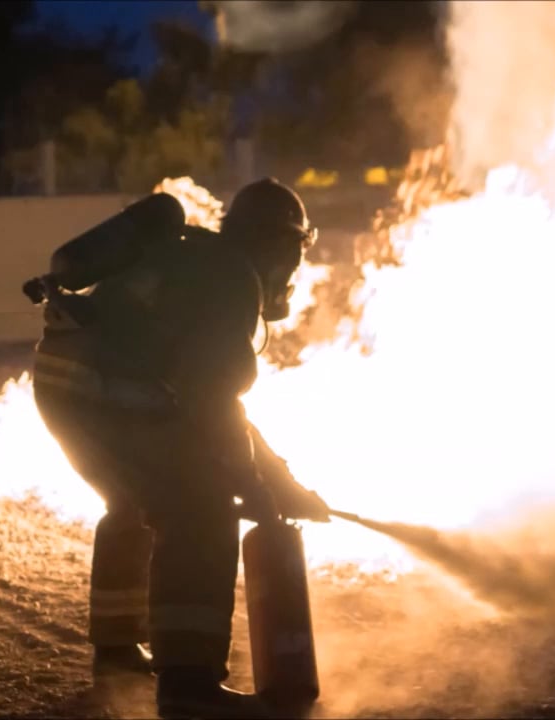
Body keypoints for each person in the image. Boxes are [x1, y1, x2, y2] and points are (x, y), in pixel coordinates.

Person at [32, 178, 331, 718]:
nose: (293, 270)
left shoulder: (197, 256)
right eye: (295, 253)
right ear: (279, 245)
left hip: (64, 384)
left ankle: (118, 650)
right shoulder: (233, 280)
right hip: (106, 397)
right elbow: (213, 404)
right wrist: (252, 489)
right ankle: (189, 685)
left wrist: (281, 483)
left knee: (133, 501)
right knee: (201, 510)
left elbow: (213, 403)